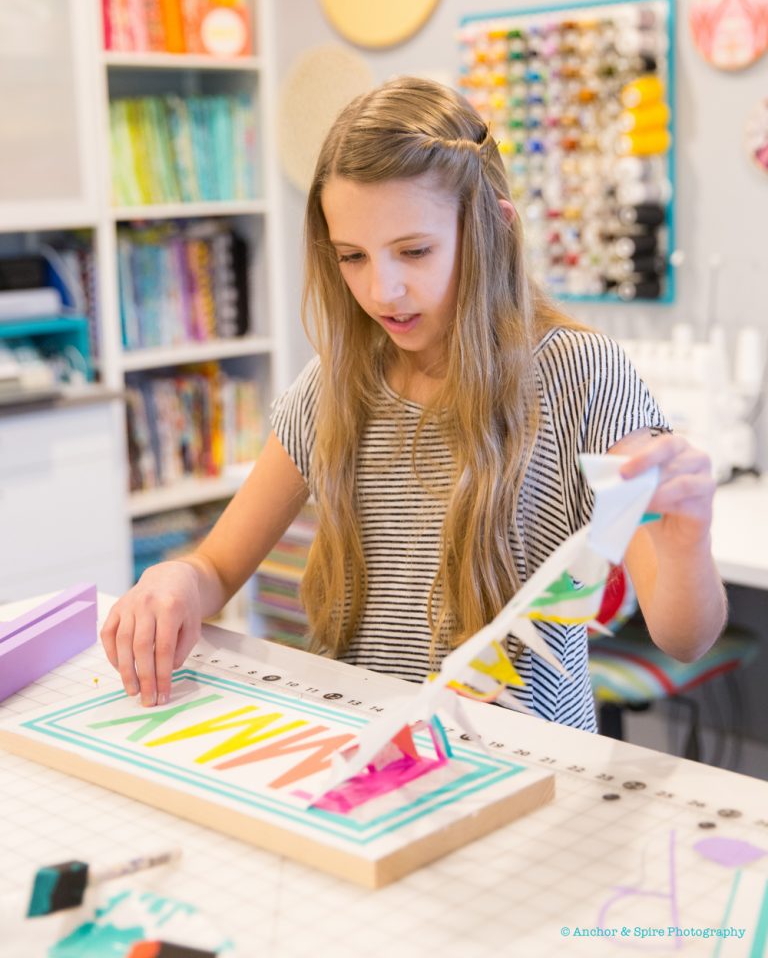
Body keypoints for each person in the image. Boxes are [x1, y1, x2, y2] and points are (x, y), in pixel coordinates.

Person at [102, 76, 726, 730]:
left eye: (415, 251)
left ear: (492, 229)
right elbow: (215, 566)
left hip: (526, 770)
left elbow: (684, 637)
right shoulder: (333, 386)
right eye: (351, 256)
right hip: (365, 760)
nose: (382, 289)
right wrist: (176, 580)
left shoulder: (580, 376)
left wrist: (687, 539)